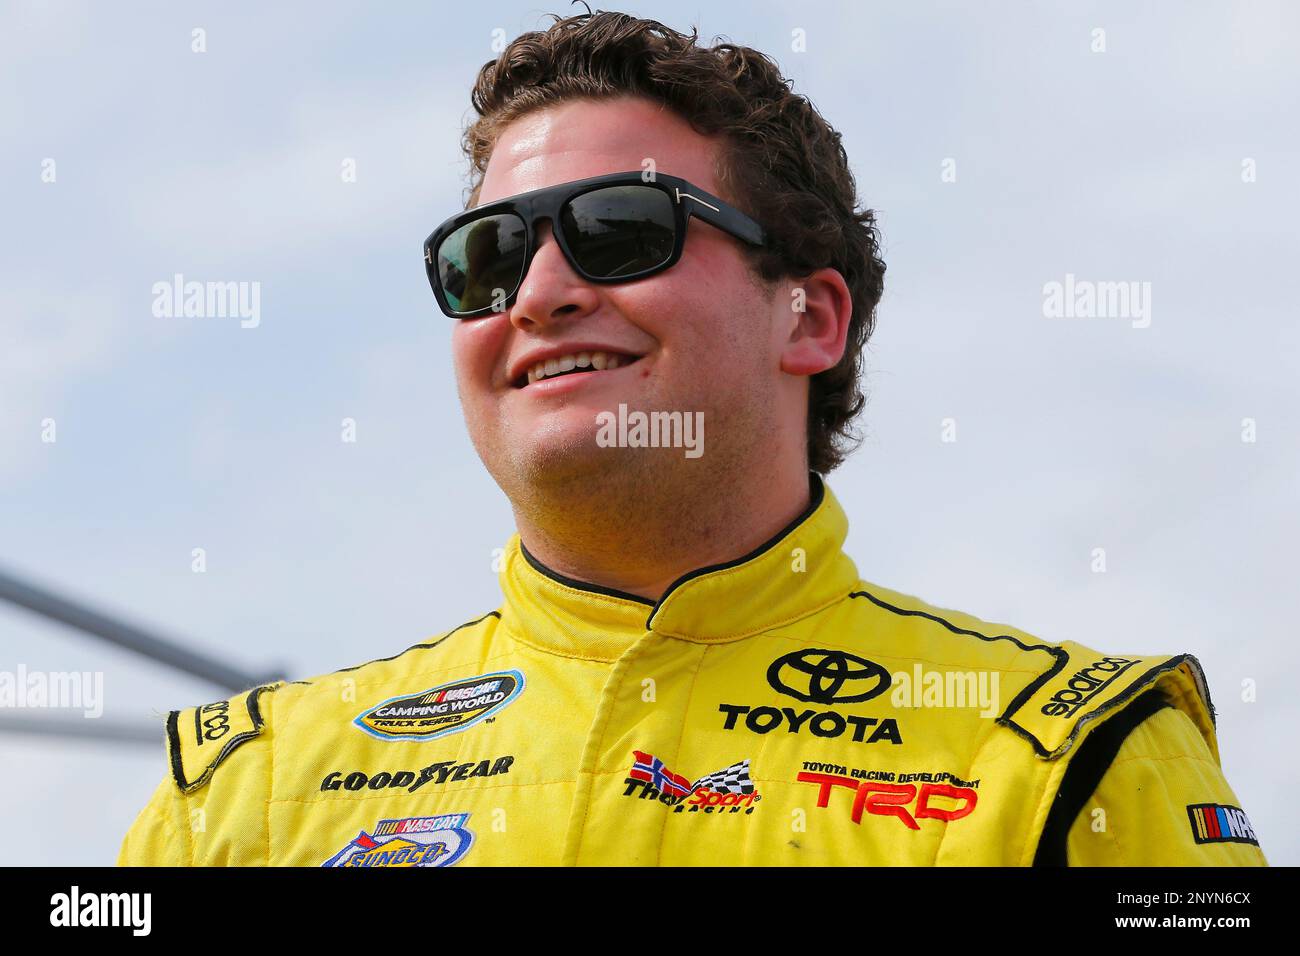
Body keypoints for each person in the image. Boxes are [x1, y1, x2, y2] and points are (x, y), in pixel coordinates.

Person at [118, 10, 1266, 867]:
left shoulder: (1078, 756)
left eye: (621, 228)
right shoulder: (243, 788)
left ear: (808, 315)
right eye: (488, 255)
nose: (538, 292)